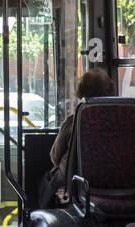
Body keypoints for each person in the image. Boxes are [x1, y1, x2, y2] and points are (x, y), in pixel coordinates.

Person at [39, 68, 116, 208]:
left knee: (46, 181)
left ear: (82, 93)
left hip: (75, 185)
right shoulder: (122, 122)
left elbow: (55, 157)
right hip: (115, 182)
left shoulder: (73, 121)